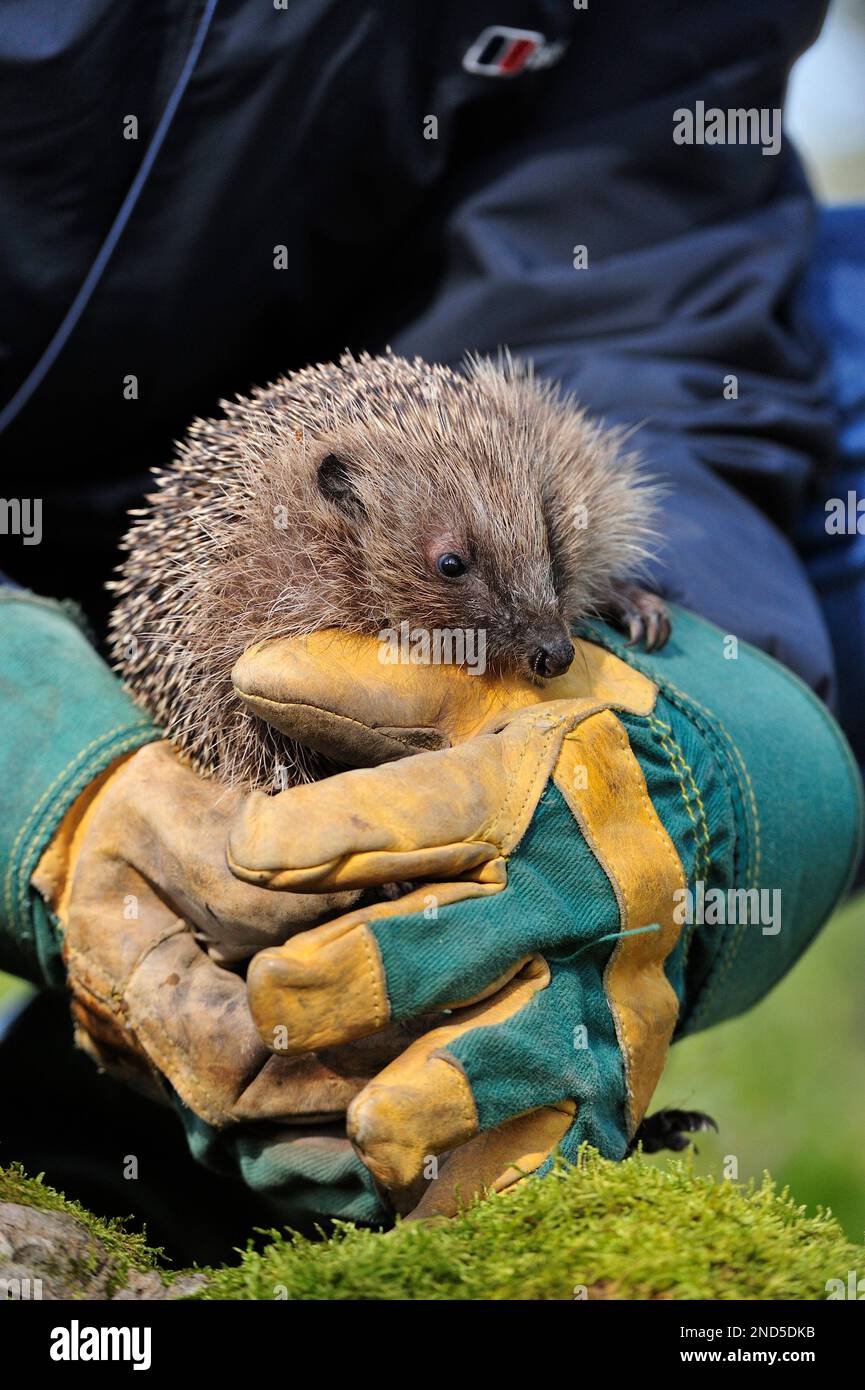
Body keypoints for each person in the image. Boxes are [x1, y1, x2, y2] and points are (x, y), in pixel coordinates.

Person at [0, 2, 862, 1255]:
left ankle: (445, 1038)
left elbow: (636, 301)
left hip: (434, 403)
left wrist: (725, 743)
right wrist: (37, 772)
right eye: (459, 573)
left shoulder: (506, 507)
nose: (530, 630)